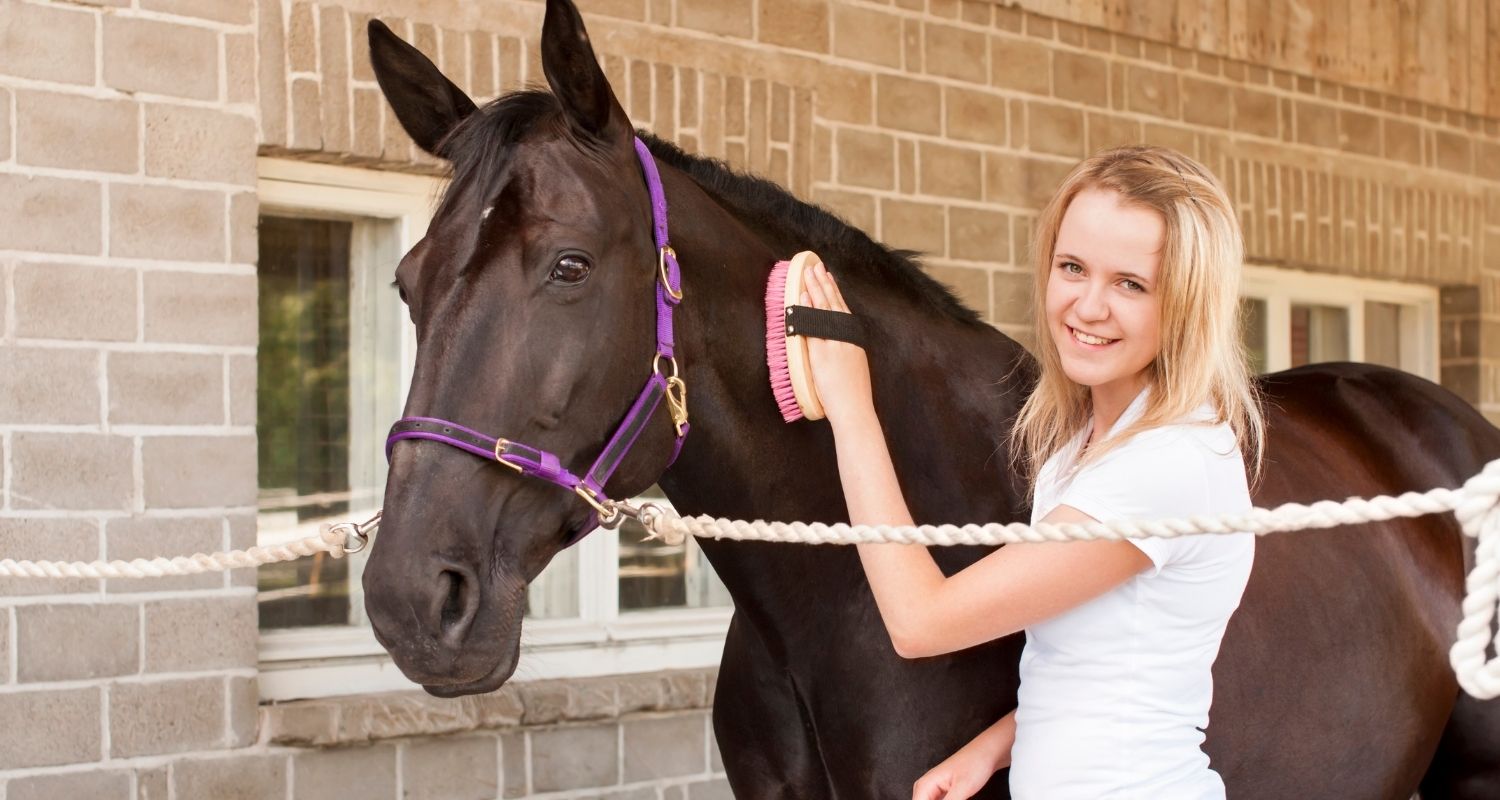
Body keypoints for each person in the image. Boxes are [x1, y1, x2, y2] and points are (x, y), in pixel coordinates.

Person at [799, 145, 1266, 799]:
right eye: (1072, 267)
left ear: (1188, 304)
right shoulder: (1088, 446)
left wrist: (853, 410)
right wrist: (989, 753)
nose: (1088, 306)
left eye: (1130, 284)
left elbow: (920, 623)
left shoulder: (1168, 464)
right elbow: (1100, 672)